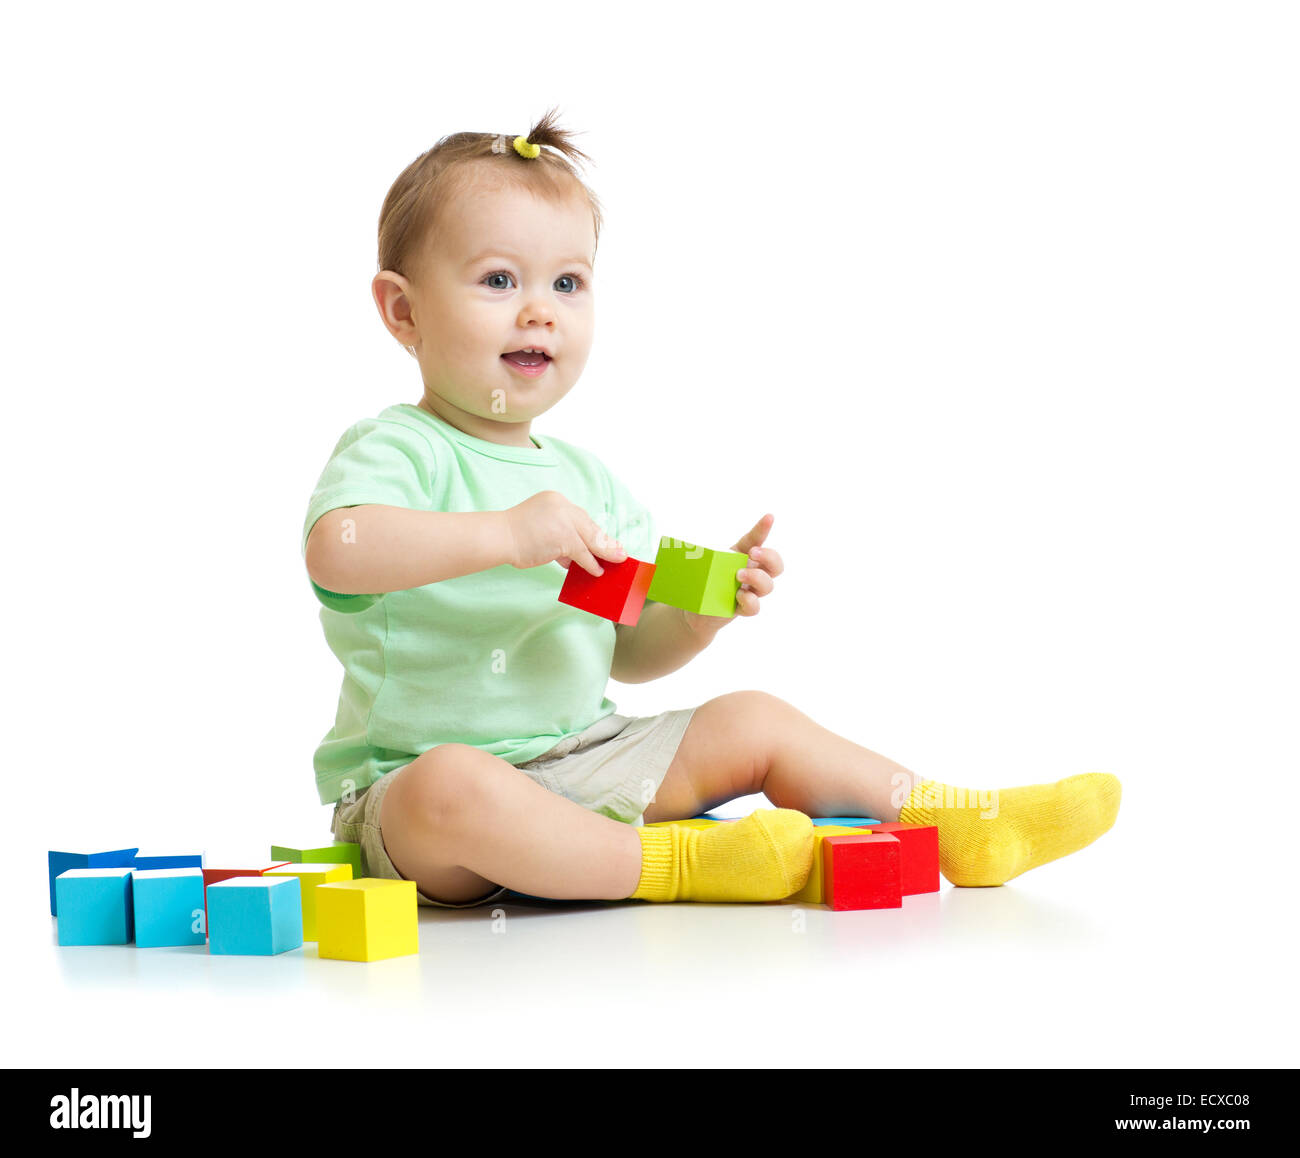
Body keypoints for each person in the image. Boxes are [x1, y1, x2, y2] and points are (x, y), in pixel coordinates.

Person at [302, 108, 1121, 908]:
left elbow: (624, 652)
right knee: (450, 785)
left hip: (581, 760)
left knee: (753, 718)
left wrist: (698, 620)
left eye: (567, 282)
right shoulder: (397, 450)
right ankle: (680, 866)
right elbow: (338, 549)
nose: (539, 309)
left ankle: (964, 824)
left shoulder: (592, 486)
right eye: (497, 280)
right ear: (403, 311)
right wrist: (506, 533)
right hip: (419, 800)